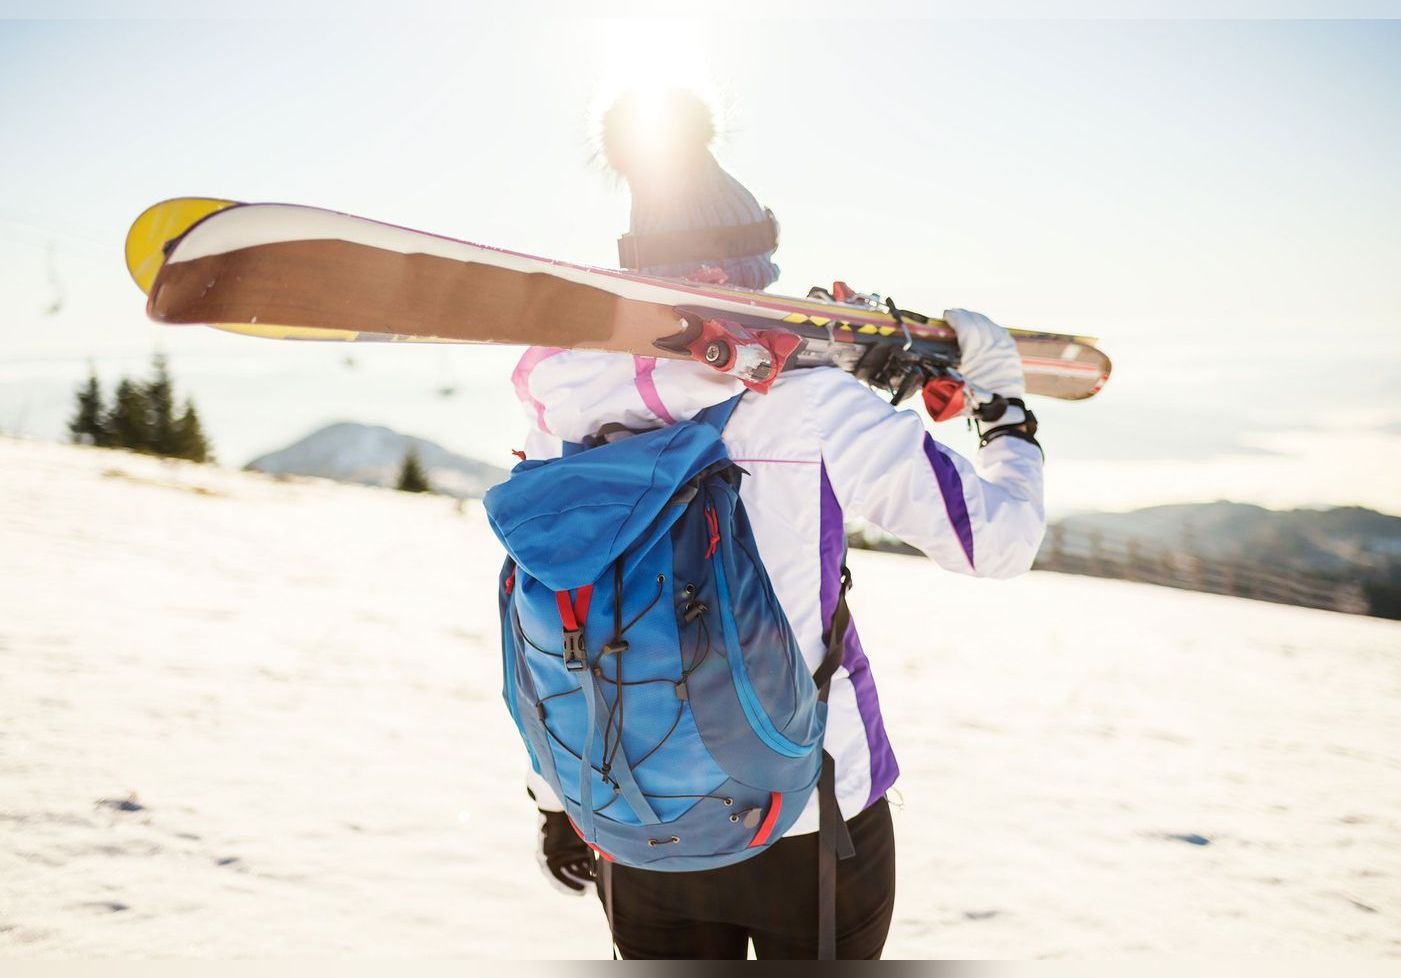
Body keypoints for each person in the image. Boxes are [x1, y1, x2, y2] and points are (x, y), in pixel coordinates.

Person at [513, 89, 1044, 960]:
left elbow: (564, 612)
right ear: (754, 271)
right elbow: (999, 541)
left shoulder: (560, 408)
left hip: (634, 813)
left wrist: (556, 796)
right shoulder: (815, 405)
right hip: (806, 813)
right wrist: (1005, 411)